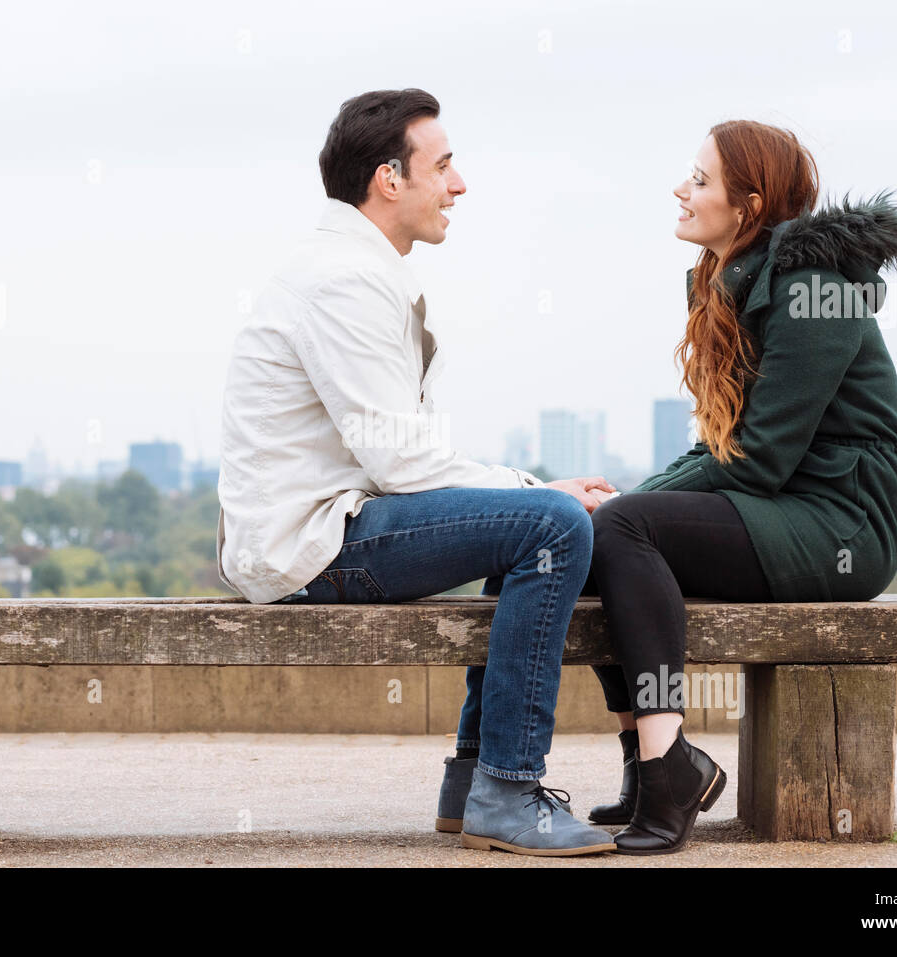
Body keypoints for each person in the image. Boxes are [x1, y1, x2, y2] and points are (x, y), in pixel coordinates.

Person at [215, 88, 616, 856]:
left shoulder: (353, 268)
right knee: (553, 525)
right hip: (314, 544)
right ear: (389, 179)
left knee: (529, 529)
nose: (458, 185)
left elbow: (402, 457)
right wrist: (540, 490)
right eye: (444, 165)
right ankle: (507, 790)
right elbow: (402, 461)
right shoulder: (343, 278)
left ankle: (476, 783)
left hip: (326, 528)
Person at [579, 119, 897, 854]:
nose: (681, 188)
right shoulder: (731, 277)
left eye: (700, 180)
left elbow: (759, 458)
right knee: (595, 535)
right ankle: (650, 759)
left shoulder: (815, 291)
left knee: (621, 528)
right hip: (787, 501)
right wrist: (628, 500)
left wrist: (628, 508)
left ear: (750, 204)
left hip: (843, 522)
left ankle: (672, 767)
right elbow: (722, 444)